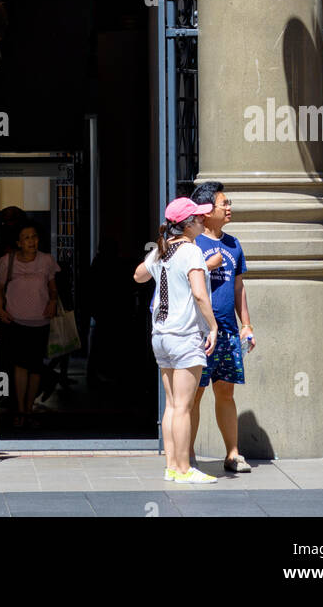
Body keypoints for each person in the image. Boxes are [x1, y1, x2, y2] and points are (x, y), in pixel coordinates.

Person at [134, 197, 218, 484]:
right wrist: (213, 326)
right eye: (199, 218)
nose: (203, 221)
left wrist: (157, 260)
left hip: (161, 335)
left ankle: (172, 466)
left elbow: (138, 276)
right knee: (183, 406)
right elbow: (199, 294)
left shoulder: (162, 249)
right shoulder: (192, 251)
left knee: (172, 405)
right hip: (184, 335)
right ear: (188, 224)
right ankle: (183, 469)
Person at [188, 181, 255, 474]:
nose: (229, 207)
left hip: (228, 332)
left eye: (229, 203)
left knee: (226, 393)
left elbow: (239, 287)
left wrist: (246, 325)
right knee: (194, 395)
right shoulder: (192, 244)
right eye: (223, 203)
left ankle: (232, 454)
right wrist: (208, 265)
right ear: (206, 210)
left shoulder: (234, 244)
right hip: (199, 333)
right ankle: (188, 456)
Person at [0, 224, 59, 428]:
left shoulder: (46, 260)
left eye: (34, 236)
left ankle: (29, 409)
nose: (32, 241)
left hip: (41, 320)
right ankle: (20, 410)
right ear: (18, 242)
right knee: (20, 366)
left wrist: (52, 302)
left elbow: (53, 287)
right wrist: (0, 309)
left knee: (36, 367)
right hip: (16, 320)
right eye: (26, 238)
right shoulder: (7, 261)